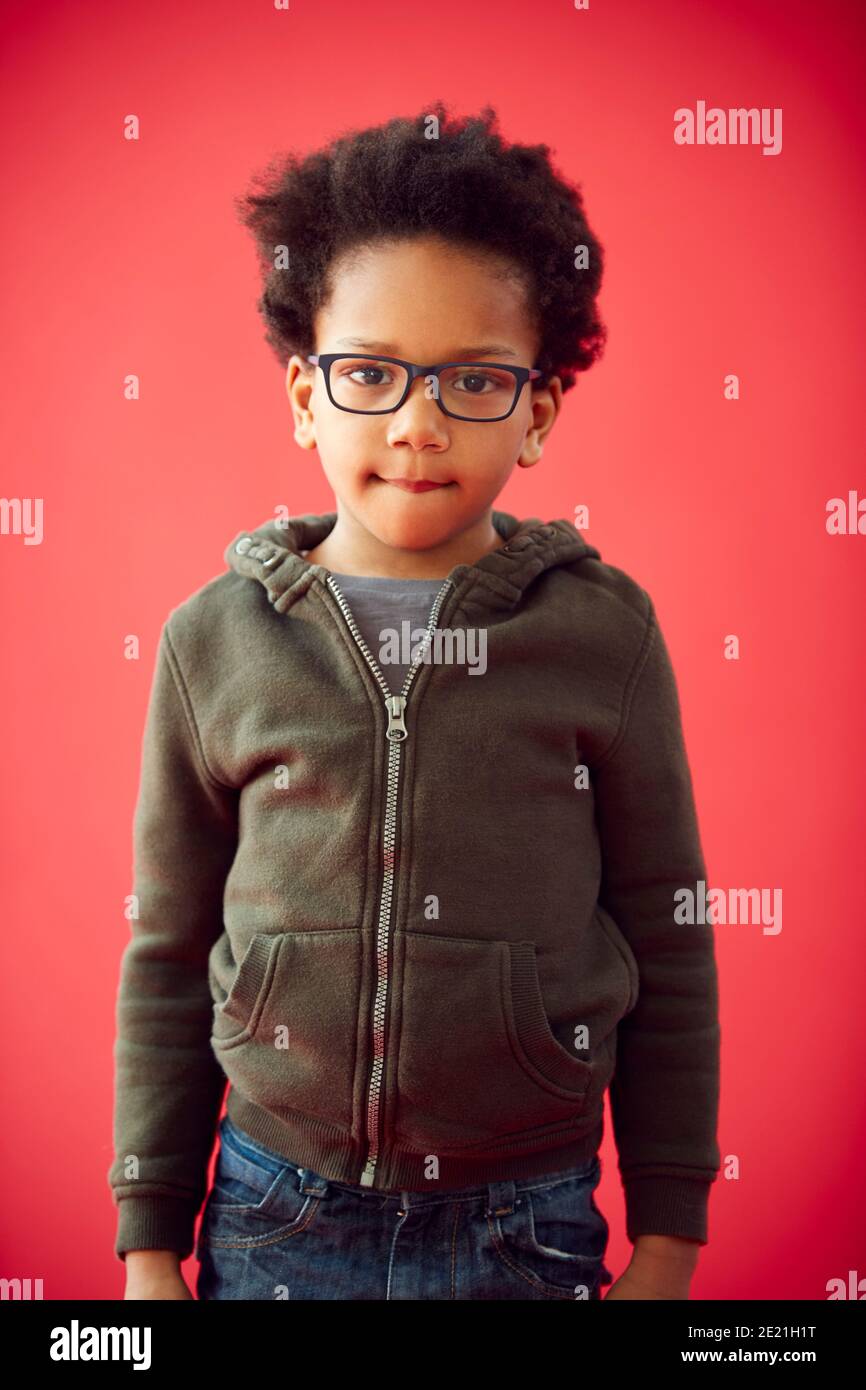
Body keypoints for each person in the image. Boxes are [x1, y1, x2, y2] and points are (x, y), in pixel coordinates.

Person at [110, 102, 720, 1301]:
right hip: (271, 1210)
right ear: (302, 394)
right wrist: (145, 1243)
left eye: (473, 380)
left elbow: (669, 936)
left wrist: (669, 1232)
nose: (417, 420)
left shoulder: (603, 634)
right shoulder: (212, 642)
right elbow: (170, 951)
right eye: (371, 372)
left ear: (537, 410)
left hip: (525, 1222)